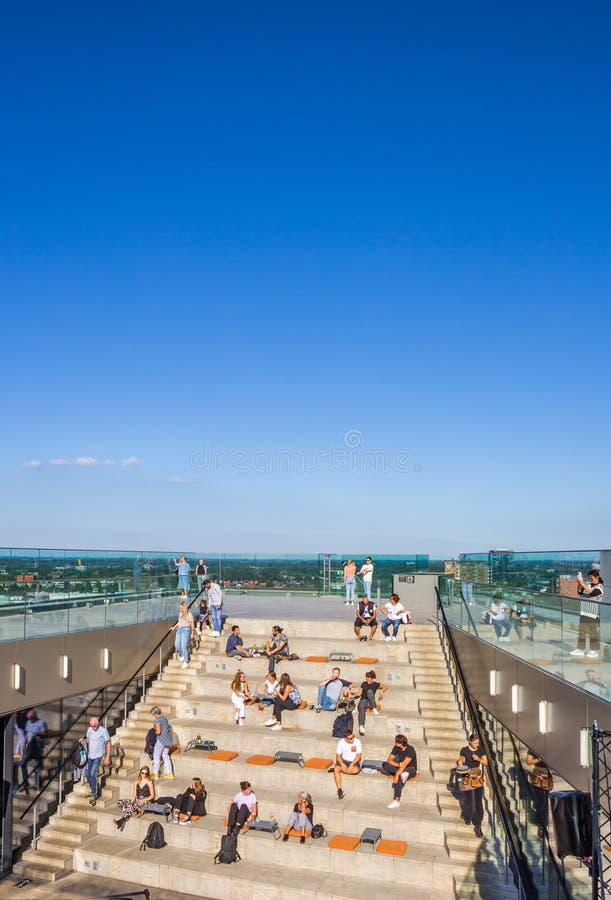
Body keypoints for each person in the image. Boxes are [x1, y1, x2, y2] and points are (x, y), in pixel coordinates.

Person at [457, 733, 487, 838]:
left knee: (478, 801)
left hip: (477, 774)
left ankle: (478, 825)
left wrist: (478, 759)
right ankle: (468, 815)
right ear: (470, 741)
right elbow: (460, 760)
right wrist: (460, 763)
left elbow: (486, 762)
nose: (477, 745)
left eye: (478, 743)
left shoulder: (480, 750)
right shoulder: (464, 750)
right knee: (468, 798)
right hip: (467, 774)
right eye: (475, 743)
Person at [571, 569, 604, 658]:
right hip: (584, 612)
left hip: (593, 614)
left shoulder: (600, 587)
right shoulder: (588, 585)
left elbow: (592, 593)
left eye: (591, 577)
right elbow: (579, 592)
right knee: (581, 632)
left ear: (597, 577)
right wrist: (579, 583)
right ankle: (580, 649)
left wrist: (582, 583)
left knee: (593, 633)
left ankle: (593, 651)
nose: (590, 579)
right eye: (589, 578)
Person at [382, 733, 418, 808]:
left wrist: (396, 775)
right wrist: (398, 765)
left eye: (396, 741)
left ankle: (396, 800)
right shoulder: (396, 747)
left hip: (410, 768)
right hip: (400, 767)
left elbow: (404, 765)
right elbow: (389, 760)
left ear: (401, 743)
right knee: (384, 764)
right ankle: (403, 774)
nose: (395, 742)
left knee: (400, 775)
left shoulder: (410, 750)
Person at [114, 765, 155, 830]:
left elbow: (152, 795)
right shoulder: (137, 781)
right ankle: (134, 811)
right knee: (119, 802)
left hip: (145, 800)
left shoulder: (149, 782)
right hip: (137, 800)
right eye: (142, 773)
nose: (144, 775)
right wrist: (131, 802)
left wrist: (144, 800)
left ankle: (121, 820)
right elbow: (134, 794)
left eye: (146, 773)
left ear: (148, 774)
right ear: (140, 772)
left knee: (134, 804)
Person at [18, 709, 47, 793]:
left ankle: (38, 786)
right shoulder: (28, 722)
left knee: (36, 767)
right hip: (28, 747)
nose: (30, 720)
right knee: (22, 764)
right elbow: (27, 733)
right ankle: (26, 782)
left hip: (37, 747)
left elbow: (44, 734)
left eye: (31, 718)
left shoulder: (41, 723)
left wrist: (37, 734)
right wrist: (24, 742)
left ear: (35, 716)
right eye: (28, 718)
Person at [84, 716, 111, 805]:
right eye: (92, 726)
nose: (93, 728)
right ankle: (93, 790)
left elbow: (108, 743)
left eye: (94, 726)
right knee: (87, 774)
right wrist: (83, 740)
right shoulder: (90, 729)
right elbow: (88, 740)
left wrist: (107, 756)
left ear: (98, 723)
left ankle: (94, 794)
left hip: (98, 756)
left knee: (92, 773)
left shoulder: (103, 731)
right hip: (90, 755)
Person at [353, 670, 388, 735]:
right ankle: (361, 726)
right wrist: (353, 696)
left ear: (372, 678)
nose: (367, 680)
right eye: (366, 678)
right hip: (363, 702)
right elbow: (359, 693)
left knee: (369, 691)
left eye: (369, 679)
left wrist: (382, 691)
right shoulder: (364, 683)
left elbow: (385, 686)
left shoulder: (375, 684)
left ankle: (374, 708)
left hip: (370, 703)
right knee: (361, 705)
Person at [334, 728, 362, 799]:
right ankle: (339, 790)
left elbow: (358, 756)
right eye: (350, 738)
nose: (352, 739)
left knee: (355, 770)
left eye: (353, 737)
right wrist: (342, 764)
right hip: (344, 761)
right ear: (345, 739)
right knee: (336, 769)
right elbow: (338, 756)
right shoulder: (341, 742)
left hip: (354, 761)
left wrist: (351, 765)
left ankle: (342, 770)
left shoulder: (357, 742)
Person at [150, 706, 174, 780]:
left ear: (155, 713)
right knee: (165, 756)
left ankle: (155, 774)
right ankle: (170, 773)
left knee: (156, 756)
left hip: (160, 740)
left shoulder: (157, 720)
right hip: (167, 740)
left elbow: (158, 731)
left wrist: (154, 732)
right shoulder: (165, 718)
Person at [170, 601, 194, 669]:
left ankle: (186, 661)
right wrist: (174, 627)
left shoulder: (189, 614)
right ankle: (183, 654)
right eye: (179, 608)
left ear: (184, 608)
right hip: (179, 629)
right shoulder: (180, 613)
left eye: (181, 608)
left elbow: (192, 624)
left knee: (183, 646)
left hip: (186, 630)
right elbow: (179, 622)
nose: (180, 609)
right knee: (177, 645)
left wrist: (192, 633)